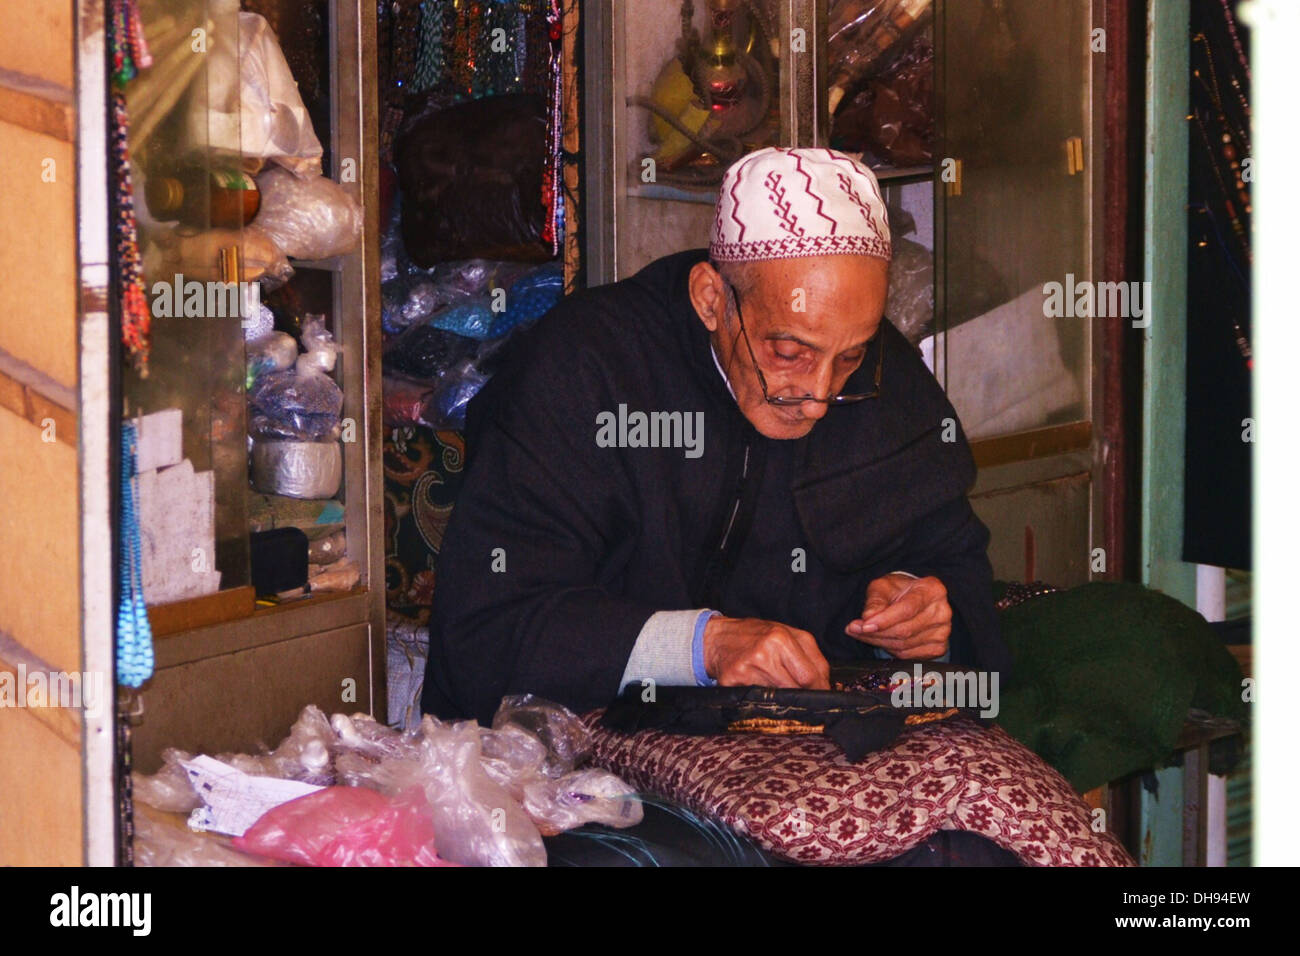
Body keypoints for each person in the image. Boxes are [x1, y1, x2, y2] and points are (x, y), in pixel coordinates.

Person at [422, 147, 1016, 865]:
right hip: (580, 764)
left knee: (973, 849)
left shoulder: (885, 379)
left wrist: (924, 611)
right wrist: (703, 644)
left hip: (806, 759)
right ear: (712, 298)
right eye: (789, 352)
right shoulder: (585, 369)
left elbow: (952, 562)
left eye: (849, 358)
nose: (819, 394)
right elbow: (486, 629)